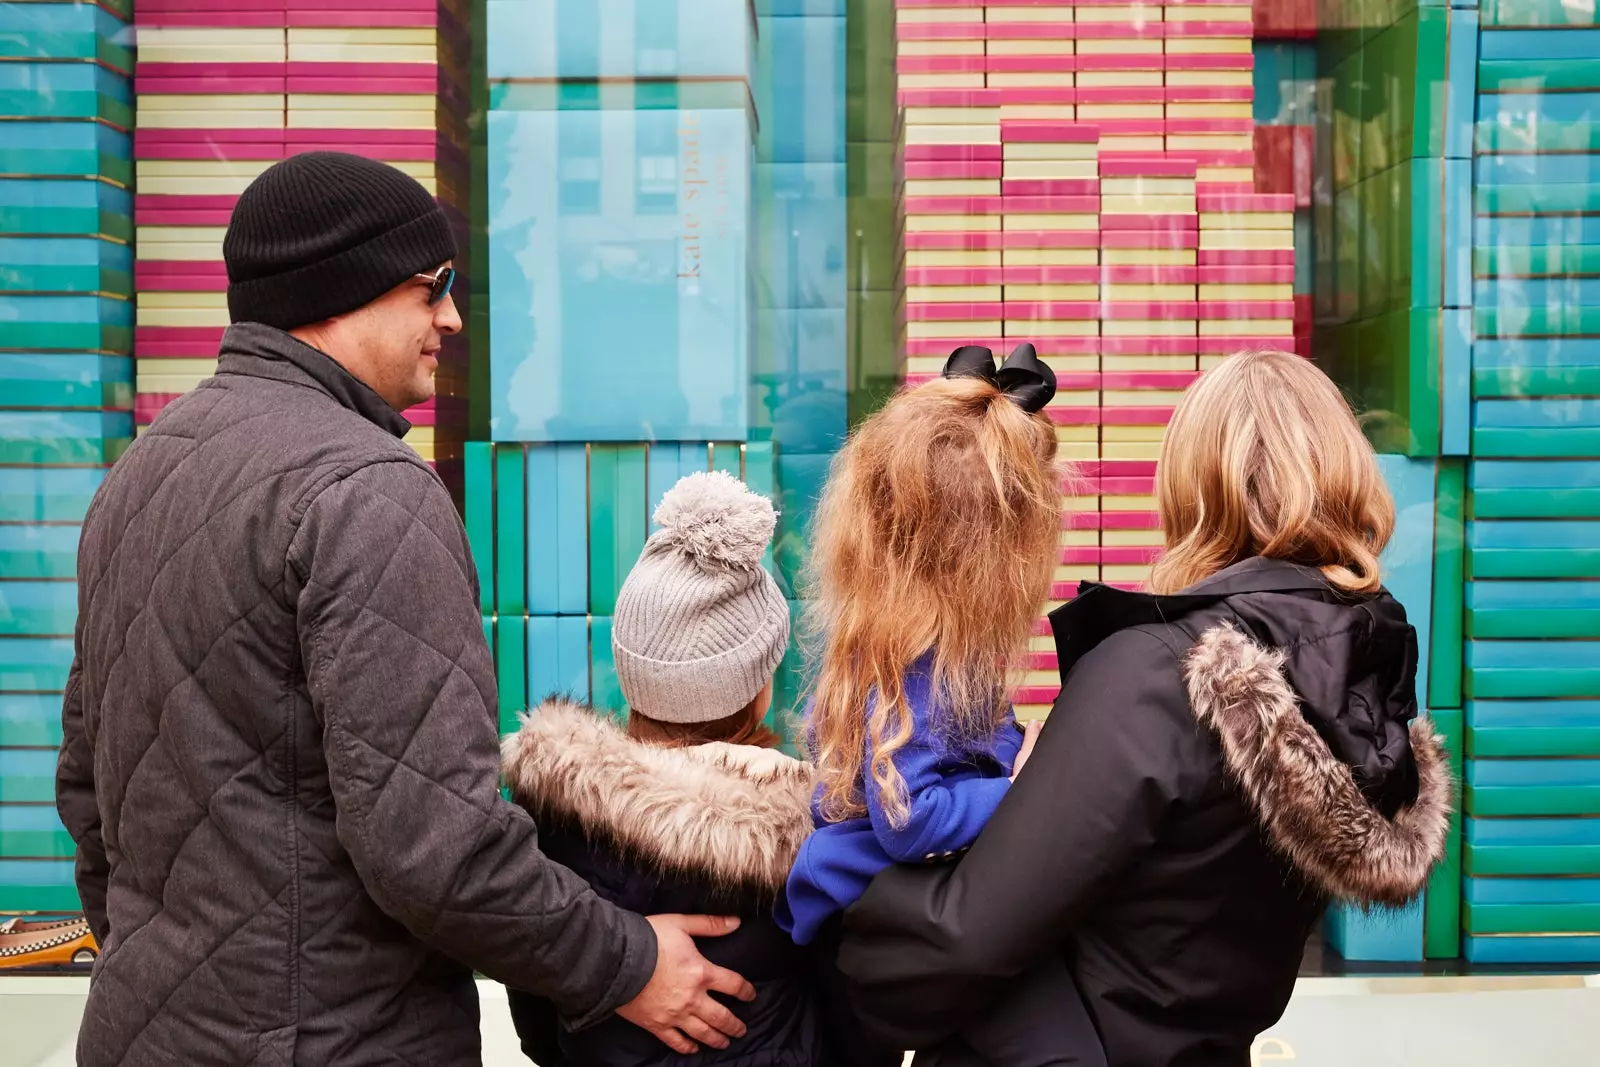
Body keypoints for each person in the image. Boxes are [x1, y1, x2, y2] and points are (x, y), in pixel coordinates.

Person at [54, 152, 752, 1066]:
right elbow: (436, 847)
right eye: (433, 288)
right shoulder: (369, 492)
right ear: (343, 290)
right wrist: (626, 961)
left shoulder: (139, 477)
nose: (451, 317)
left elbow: (88, 796)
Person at [835, 349, 1454, 1067]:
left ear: (1194, 484)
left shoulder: (1160, 675)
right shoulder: (1364, 678)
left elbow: (959, 939)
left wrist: (833, 894)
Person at [777, 344, 1106, 1066]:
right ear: (988, 557)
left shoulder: (914, 645)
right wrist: (1018, 789)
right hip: (869, 923)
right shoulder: (919, 669)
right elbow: (909, 819)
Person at [502, 470, 896, 1067]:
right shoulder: (818, 843)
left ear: (630, 675)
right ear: (760, 686)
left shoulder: (550, 821)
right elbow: (862, 1032)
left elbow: (537, 1024)